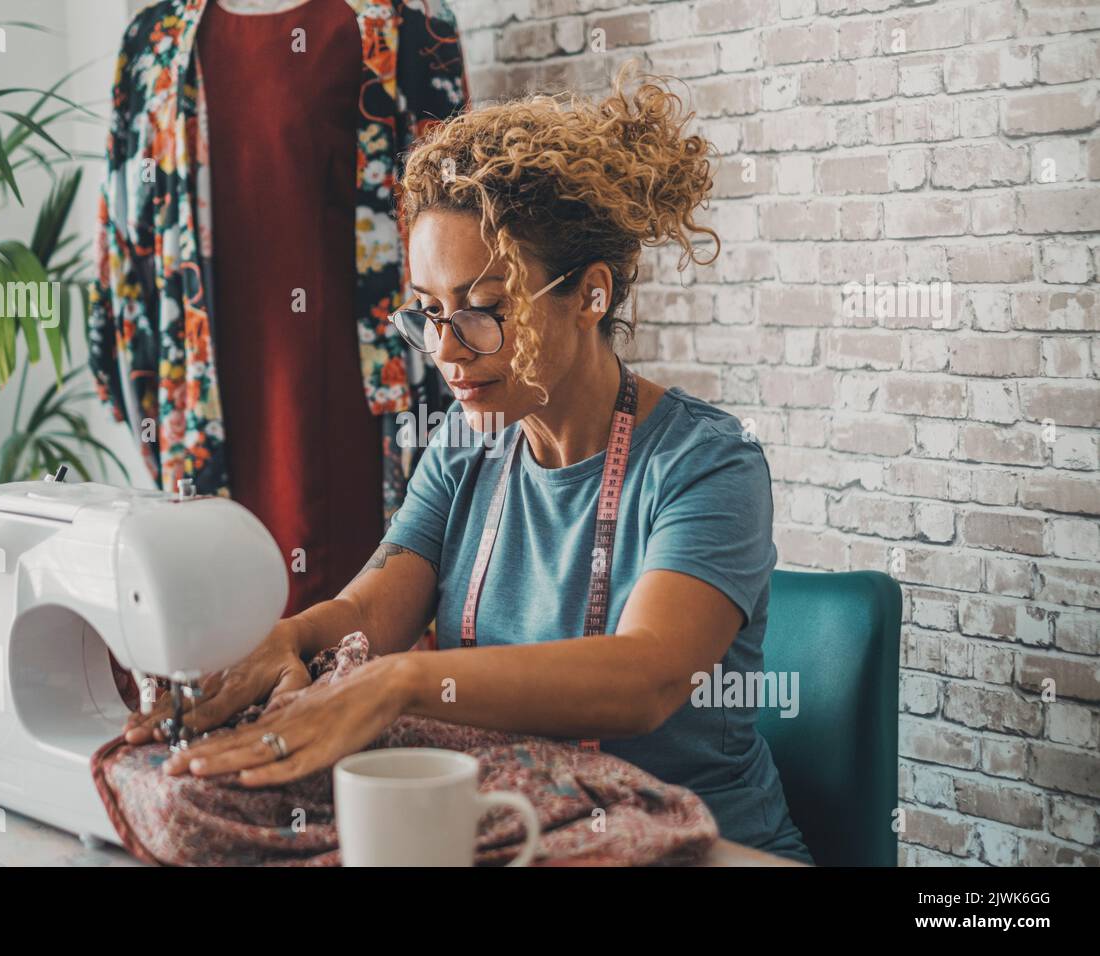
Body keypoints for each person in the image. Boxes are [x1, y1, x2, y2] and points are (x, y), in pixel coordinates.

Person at [123, 62, 813, 864]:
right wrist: (287, 640)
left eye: (484, 311)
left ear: (590, 294)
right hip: (519, 831)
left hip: (706, 848)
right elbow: (372, 609)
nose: (446, 352)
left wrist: (402, 684)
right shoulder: (465, 443)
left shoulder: (708, 464)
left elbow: (646, 676)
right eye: (429, 313)